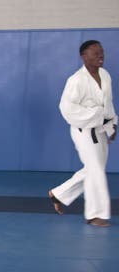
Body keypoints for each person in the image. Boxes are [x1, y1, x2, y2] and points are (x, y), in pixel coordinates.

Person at [48, 40, 117, 227]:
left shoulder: (105, 75)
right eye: (95, 53)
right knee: (96, 171)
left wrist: (112, 124)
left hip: (100, 130)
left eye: (102, 52)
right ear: (84, 57)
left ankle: (59, 194)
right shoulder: (76, 80)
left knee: (95, 169)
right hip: (83, 131)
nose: (100, 56)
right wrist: (95, 115)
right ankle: (95, 215)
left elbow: (108, 103)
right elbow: (67, 109)